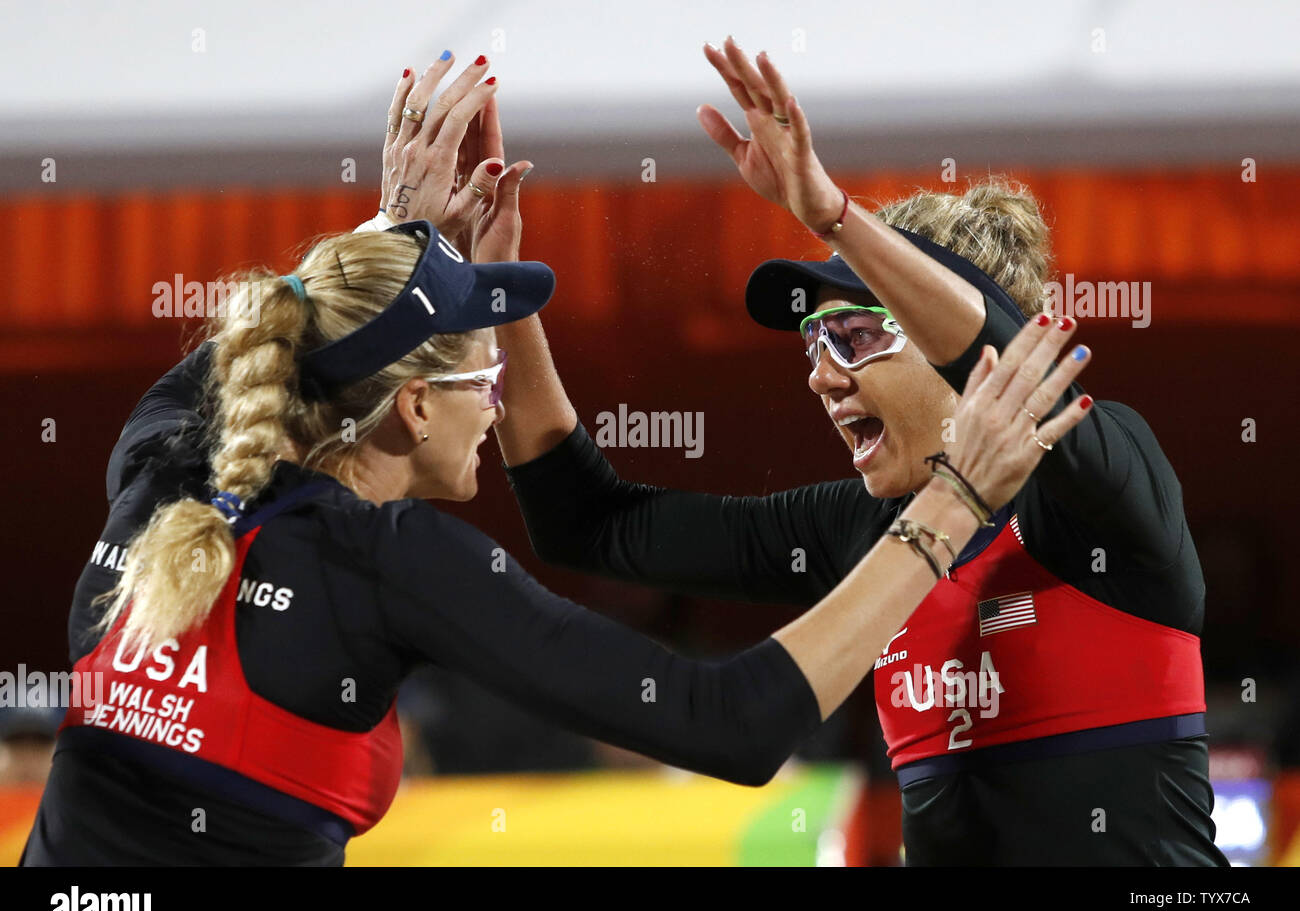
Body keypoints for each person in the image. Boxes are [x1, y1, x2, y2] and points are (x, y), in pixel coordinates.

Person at [20, 53, 1089, 866]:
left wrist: (402, 234)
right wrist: (951, 504)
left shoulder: (158, 463)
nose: (500, 398)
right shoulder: (387, 559)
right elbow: (731, 722)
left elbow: (288, 324)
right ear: (413, 406)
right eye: (483, 365)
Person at [493, 39, 1225, 865]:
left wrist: (834, 216)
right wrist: (500, 291)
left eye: (854, 335)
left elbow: (1020, 370)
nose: (820, 376)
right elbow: (584, 524)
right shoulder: (859, 526)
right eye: (813, 342)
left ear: (960, 350)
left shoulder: (1101, 480)